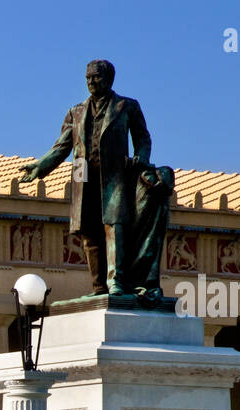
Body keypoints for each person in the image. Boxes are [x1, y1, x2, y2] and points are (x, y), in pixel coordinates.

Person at [20, 59, 151, 296]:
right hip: (84, 178)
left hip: (115, 177)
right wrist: (41, 167)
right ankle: (98, 286)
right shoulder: (76, 112)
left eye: (96, 77)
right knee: (89, 233)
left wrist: (141, 157)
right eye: (88, 77)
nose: (91, 81)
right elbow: (62, 147)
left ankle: (116, 282)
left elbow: (142, 138)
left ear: (109, 79)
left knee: (114, 227)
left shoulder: (126, 106)